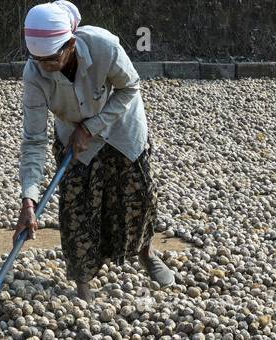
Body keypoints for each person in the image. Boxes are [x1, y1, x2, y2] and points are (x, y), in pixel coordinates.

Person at [15, 1, 175, 301]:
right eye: (38, 59)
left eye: (52, 57)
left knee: (136, 197)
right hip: (72, 134)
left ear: (71, 44)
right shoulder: (34, 74)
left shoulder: (104, 46)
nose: (46, 66)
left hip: (121, 127)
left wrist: (92, 127)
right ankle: (83, 283)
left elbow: (130, 87)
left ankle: (146, 253)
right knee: (77, 208)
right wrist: (29, 198)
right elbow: (33, 139)